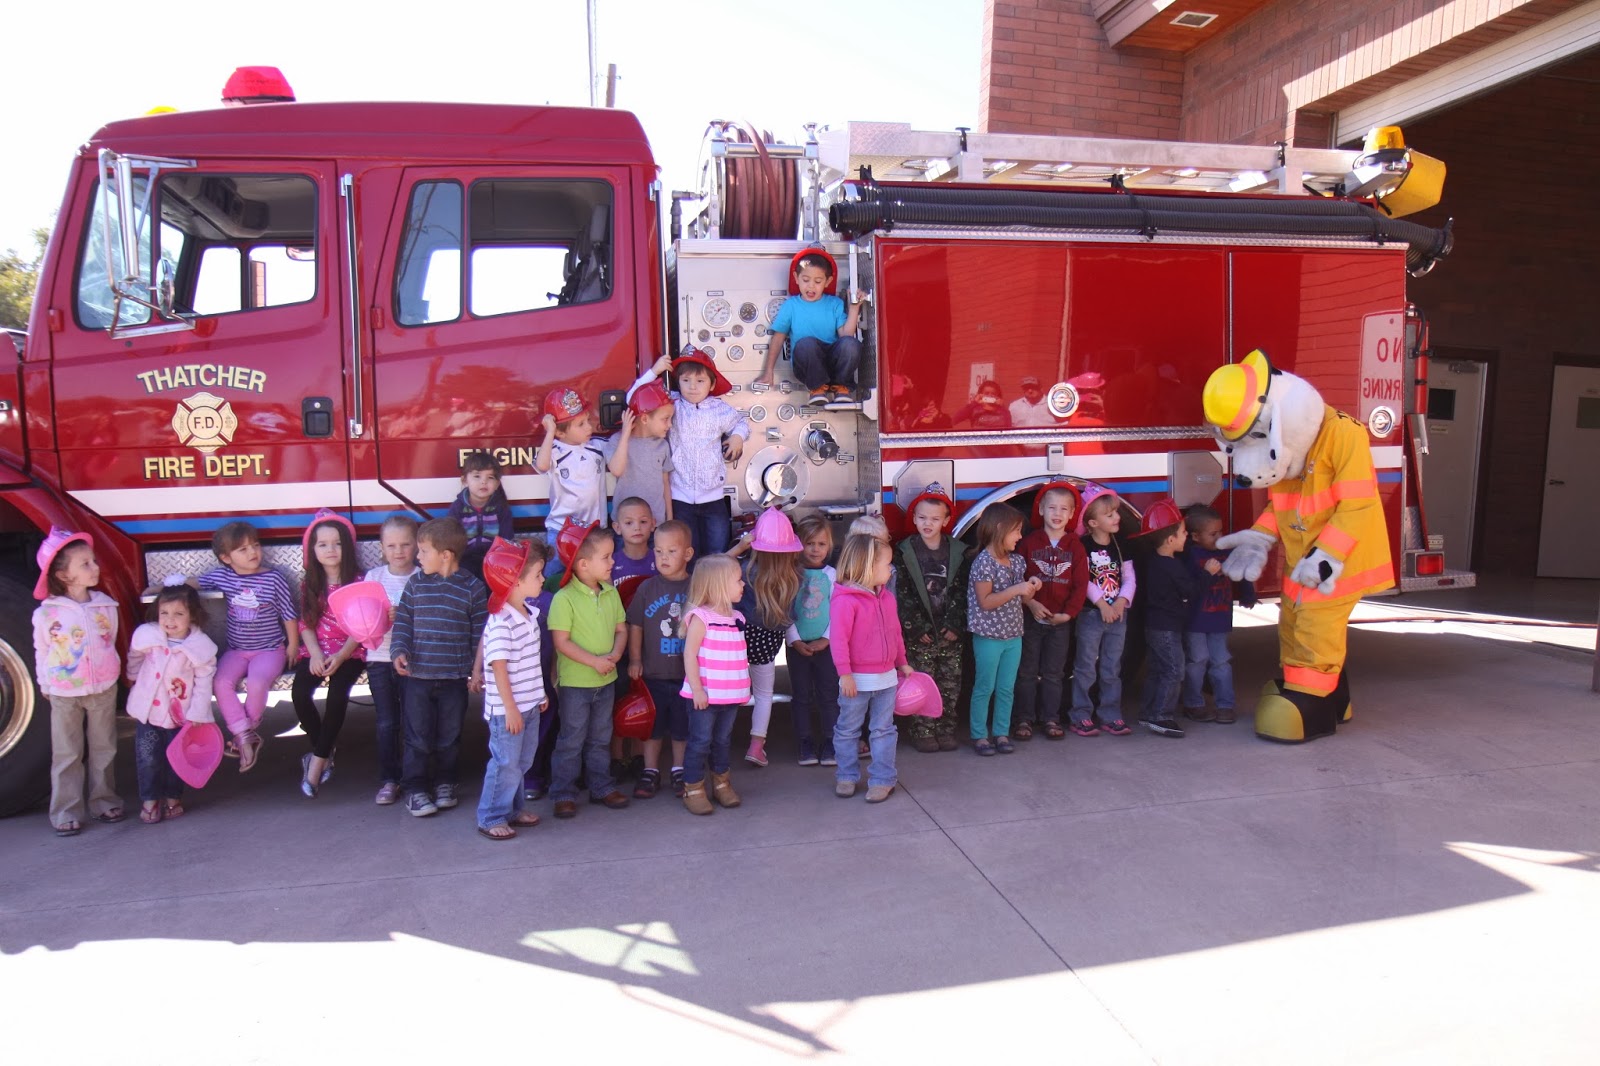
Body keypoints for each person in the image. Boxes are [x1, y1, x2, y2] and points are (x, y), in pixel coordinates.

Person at [392, 517, 488, 818]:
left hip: (454, 679)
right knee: (417, 738)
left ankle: (446, 782)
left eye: (423, 551)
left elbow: (480, 634)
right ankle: (415, 788)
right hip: (418, 676)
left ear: (445, 555)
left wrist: (477, 670)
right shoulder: (416, 584)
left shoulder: (472, 588)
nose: (417, 557)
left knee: (449, 736)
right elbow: (403, 621)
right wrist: (399, 650)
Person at [33, 528, 123, 835]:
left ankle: (104, 801)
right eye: (85, 564)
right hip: (64, 692)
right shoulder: (47, 614)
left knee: (104, 747)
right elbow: (42, 649)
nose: (95, 567)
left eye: (93, 560)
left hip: (102, 688)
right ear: (63, 575)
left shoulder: (105, 606)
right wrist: (45, 684)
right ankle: (66, 810)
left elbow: (110, 639)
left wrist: (110, 671)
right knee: (67, 752)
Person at [199, 521, 299, 772]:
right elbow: (195, 583)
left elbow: (289, 614)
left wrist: (293, 645)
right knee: (221, 682)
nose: (252, 552)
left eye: (255, 545)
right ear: (226, 558)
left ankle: (246, 733)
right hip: (236, 650)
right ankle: (245, 735)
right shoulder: (223, 576)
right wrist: (167, 586)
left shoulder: (273, 578)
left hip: (270, 650)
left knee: (257, 682)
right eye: (242, 549)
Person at [629, 350, 749, 559]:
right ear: (678, 382)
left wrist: (738, 437)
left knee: (717, 555)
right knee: (686, 554)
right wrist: (654, 371)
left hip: (713, 498)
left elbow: (741, 423)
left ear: (712, 384)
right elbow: (634, 397)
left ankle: (716, 581)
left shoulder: (719, 409)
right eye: (686, 380)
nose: (693, 387)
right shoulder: (672, 404)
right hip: (680, 497)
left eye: (700, 381)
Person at [547, 523, 631, 819]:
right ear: (583, 564)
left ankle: (601, 786)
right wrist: (595, 662)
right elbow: (561, 642)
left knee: (600, 737)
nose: (613, 562)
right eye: (606, 557)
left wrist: (616, 654)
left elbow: (621, 630)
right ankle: (563, 792)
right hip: (576, 684)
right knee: (571, 739)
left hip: (606, 681)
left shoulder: (611, 593)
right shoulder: (564, 598)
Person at [475, 537, 550, 841]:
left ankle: (513, 809)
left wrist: (539, 694)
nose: (543, 579)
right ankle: (491, 816)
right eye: (537, 575)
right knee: (505, 763)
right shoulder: (501, 622)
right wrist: (510, 709)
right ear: (515, 582)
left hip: (528, 705)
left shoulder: (529, 615)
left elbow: (530, 663)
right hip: (509, 711)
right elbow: (498, 667)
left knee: (521, 762)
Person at [125, 580, 217, 824]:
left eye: (178, 614)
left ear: (192, 616)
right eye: (164, 613)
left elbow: (203, 682)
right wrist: (133, 677)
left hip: (180, 716)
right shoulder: (149, 637)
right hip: (149, 714)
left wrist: (198, 712)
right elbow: (135, 656)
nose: (170, 620)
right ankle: (150, 800)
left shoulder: (199, 648)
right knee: (148, 759)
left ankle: (173, 797)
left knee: (177, 759)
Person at [830, 533, 912, 802]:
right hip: (855, 681)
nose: (891, 569)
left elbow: (895, 632)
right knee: (848, 730)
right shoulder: (845, 601)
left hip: (886, 680)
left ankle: (883, 779)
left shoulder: (887, 598)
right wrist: (845, 674)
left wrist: (902, 662)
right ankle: (846, 775)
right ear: (868, 566)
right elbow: (839, 640)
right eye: (887, 564)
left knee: (884, 730)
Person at [292, 510, 365, 797]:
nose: (331, 549)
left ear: (348, 547)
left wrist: (342, 655)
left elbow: (363, 626)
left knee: (337, 696)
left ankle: (316, 763)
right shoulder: (310, 583)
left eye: (337, 543)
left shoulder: (358, 581)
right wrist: (314, 655)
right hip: (317, 650)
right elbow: (306, 624)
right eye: (323, 544)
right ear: (312, 550)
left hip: (350, 650)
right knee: (300, 693)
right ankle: (323, 749)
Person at [1012, 484, 1089, 741]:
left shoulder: (1075, 546)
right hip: (1030, 619)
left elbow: (1081, 585)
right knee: (1026, 671)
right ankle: (1024, 718)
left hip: (1060, 622)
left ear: (1072, 514)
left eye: (1064, 509)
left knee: (1054, 674)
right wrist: (1030, 603)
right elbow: (1018, 577)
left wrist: (1068, 614)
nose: (1057, 513)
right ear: (1042, 509)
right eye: (1052, 507)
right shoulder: (1028, 543)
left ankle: (1051, 718)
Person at [728, 508, 803, 767]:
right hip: (769, 642)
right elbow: (790, 617)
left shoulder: (743, 570)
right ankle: (756, 746)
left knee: (730, 690)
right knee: (763, 694)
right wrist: (794, 639)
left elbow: (712, 569)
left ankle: (721, 739)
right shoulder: (794, 577)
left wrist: (739, 547)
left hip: (739, 639)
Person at [894, 486, 966, 753]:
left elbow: (962, 591)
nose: (928, 523)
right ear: (914, 518)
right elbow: (902, 592)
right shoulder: (905, 552)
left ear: (946, 520)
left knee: (949, 683)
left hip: (949, 634)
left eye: (935, 519)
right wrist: (915, 627)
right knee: (921, 682)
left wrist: (955, 624)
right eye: (922, 517)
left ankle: (945, 729)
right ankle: (922, 731)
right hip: (920, 635)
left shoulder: (958, 552)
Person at [626, 520, 694, 798]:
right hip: (653, 673)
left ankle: (679, 769)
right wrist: (634, 660)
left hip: (686, 675)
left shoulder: (696, 587)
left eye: (671, 551)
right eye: (658, 551)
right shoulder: (647, 588)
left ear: (687, 554)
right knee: (652, 727)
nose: (663, 557)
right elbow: (636, 626)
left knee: (681, 727)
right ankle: (650, 770)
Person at [678, 555, 751, 815]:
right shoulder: (701, 618)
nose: (743, 584)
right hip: (705, 697)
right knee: (700, 741)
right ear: (719, 585)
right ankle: (693, 788)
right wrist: (697, 689)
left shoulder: (737, 618)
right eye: (738, 580)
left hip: (729, 696)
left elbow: (735, 657)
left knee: (722, 741)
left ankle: (721, 784)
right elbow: (690, 655)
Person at [966, 505, 1040, 756]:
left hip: (1013, 636)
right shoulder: (984, 563)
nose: (1019, 536)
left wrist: (1031, 587)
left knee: (1007, 687)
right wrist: (1016, 589)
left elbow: (1022, 597)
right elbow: (986, 602)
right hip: (988, 637)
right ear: (999, 529)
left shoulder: (1016, 561)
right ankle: (979, 735)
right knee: (985, 686)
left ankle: (1001, 733)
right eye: (1016, 531)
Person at [535, 386, 632, 574]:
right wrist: (550, 432)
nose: (589, 427)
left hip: (594, 532)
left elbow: (618, 469)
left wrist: (626, 433)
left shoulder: (597, 446)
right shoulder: (554, 450)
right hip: (560, 530)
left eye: (587, 420)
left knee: (598, 576)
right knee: (553, 576)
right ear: (561, 433)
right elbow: (542, 465)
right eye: (581, 424)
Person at [1068, 488, 1136, 737]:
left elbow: (1129, 577)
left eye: (1115, 512)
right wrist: (1102, 604)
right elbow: (1083, 579)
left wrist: (1121, 601)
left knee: (1112, 667)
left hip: (1118, 616)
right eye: (1110, 514)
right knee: (1085, 667)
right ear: (1093, 523)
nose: (1117, 517)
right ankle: (1080, 715)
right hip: (1091, 616)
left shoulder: (1121, 544)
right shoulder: (1083, 546)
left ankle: (1110, 714)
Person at [1180, 504, 1255, 725]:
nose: (1220, 537)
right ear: (1195, 536)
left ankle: (1225, 706)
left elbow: (1242, 571)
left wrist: (1248, 594)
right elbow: (1185, 585)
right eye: (1213, 534)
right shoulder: (1189, 555)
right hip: (1194, 621)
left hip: (1219, 619)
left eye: (1221, 532)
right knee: (1197, 660)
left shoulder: (1227, 552)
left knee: (1221, 662)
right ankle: (1193, 703)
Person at [758, 250, 864, 406]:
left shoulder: (835, 303)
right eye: (806, 280)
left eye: (818, 281)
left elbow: (845, 336)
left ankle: (841, 386)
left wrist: (854, 308)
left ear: (828, 281)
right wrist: (768, 371)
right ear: (796, 278)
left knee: (851, 343)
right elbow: (778, 338)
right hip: (807, 366)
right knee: (807, 343)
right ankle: (817, 388)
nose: (811, 286)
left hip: (832, 364)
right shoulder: (791, 305)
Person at [364, 514, 420, 805]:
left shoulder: (423, 576)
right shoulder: (373, 578)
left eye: (405, 544)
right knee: (387, 722)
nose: (399, 551)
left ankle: (414, 780)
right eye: (391, 545)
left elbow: (431, 618)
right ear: (382, 548)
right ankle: (390, 779)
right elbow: (361, 620)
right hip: (379, 658)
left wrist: (407, 615)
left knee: (414, 721)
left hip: (415, 660)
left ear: (417, 545)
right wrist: (379, 617)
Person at [605, 496, 657, 782]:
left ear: (653, 524)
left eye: (643, 521)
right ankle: (616, 757)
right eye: (629, 522)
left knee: (644, 699)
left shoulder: (659, 559)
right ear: (617, 527)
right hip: (617, 645)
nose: (636, 527)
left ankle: (638, 756)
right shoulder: (611, 563)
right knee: (618, 698)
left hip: (652, 645)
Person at [1137, 499, 1195, 738]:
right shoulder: (1173, 566)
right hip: (1168, 628)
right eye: (1183, 532)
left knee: (1156, 670)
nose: (1187, 535)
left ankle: (1147, 712)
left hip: (1153, 626)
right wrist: (1207, 575)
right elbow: (1191, 590)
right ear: (1171, 540)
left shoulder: (1152, 563)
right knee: (1173, 670)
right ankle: (1161, 716)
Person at [787, 513, 840, 766]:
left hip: (826, 646)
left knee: (829, 694)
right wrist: (795, 640)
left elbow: (838, 610)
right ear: (799, 544)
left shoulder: (832, 575)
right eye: (809, 543)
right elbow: (784, 609)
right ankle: (805, 742)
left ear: (829, 546)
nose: (815, 549)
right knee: (801, 696)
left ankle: (831, 741)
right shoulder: (791, 574)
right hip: (797, 646)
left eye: (821, 544)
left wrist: (827, 639)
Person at [608, 379, 675, 525]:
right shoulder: (617, 440)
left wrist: (669, 518)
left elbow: (665, 483)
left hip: (656, 522)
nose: (670, 424)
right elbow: (617, 470)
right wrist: (625, 434)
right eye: (665, 419)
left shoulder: (662, 445)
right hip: (626, 525)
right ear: (644, 419)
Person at [447, 451, 515, 581]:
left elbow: (507, 539)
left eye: (490, 477)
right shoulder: (458, 507)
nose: (484, 482)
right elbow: (450, 537)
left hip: (493, 559)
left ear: (497, 484)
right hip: (464, 559)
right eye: (477, 476)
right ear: (465, 480)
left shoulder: (501, 508)